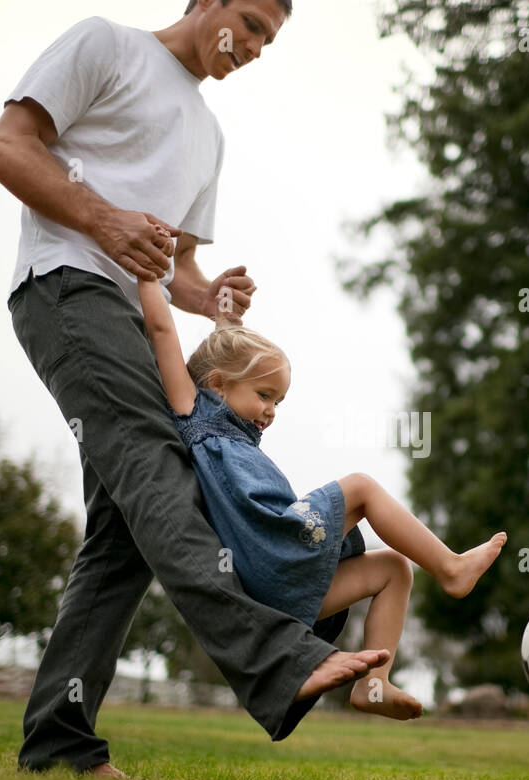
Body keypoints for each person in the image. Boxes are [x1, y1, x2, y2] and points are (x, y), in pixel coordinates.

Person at [0, 0, 388, 780]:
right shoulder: (106, 45)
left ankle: (59, 748)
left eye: (273, 37)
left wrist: (211, 299)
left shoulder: (209, 135)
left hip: (135, 316)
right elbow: (5, 149)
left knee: (125, 536)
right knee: (163, 471)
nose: (260, 46)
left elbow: (178, 267)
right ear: (205, 3)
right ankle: (275, 661)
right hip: (67, 288)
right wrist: (103, 222)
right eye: (253, 22)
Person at [138, 276, 509, 720]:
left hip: (279, 580)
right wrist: (148, 277)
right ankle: (451, 568)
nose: (272, 411)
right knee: (362, 487)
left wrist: (225, 323)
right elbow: (162, 333)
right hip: (272, 549)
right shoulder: (196, 416)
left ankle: (373, 684)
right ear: (217, 386)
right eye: (265, 395)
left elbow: (225, 355)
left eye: (278, 401)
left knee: (394, 567)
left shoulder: (235, 431)